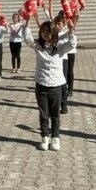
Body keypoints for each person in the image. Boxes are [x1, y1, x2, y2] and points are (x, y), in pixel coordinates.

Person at [22, 16, 77, 151]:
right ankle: (44, 137)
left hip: (56, 85)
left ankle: (55, 138)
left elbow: (72, 44)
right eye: (44, 31)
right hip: (41, 85)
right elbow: (27, 38)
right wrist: (28, 22)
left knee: (55, 114)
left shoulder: (59, 48)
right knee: (43, 113)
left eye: (49, 31)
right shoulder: (38, 46)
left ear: (54, 33)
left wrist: (71, 31)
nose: (46, 34)